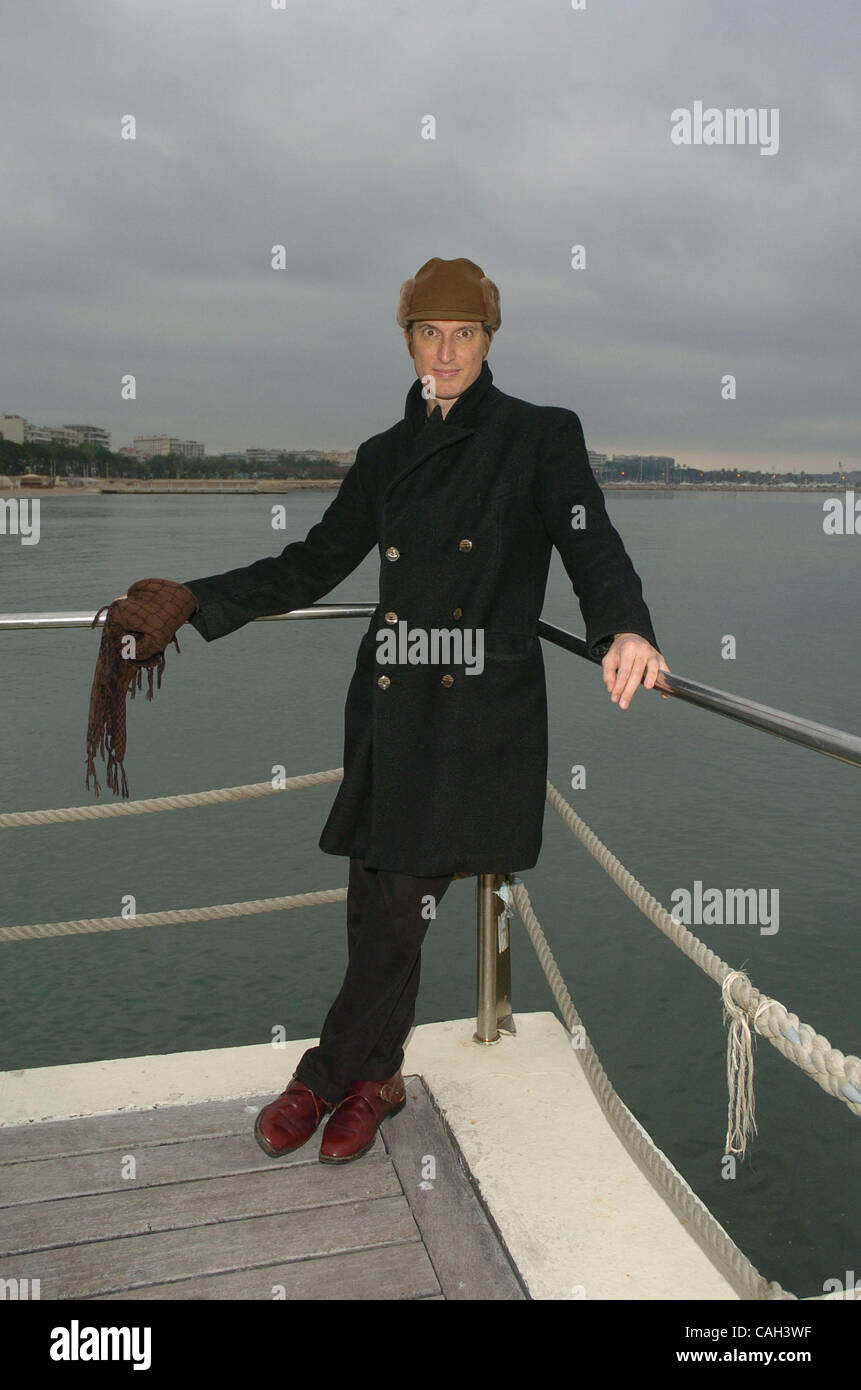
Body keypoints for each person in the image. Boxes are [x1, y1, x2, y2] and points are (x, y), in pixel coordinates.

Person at [113, 256, 669, 1164]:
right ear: (406, 338)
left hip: (474, 708)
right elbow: (310, 564)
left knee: (402, 900)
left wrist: (623, 628)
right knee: (375, 898)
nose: (444, 351)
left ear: (489, 340)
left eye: (463, 333)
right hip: (389, 697)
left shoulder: (538, 435)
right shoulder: (382, 456)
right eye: (428, 332)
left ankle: (325, 1075)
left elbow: (588, 541)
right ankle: (376, 1081)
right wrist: (192, 599)